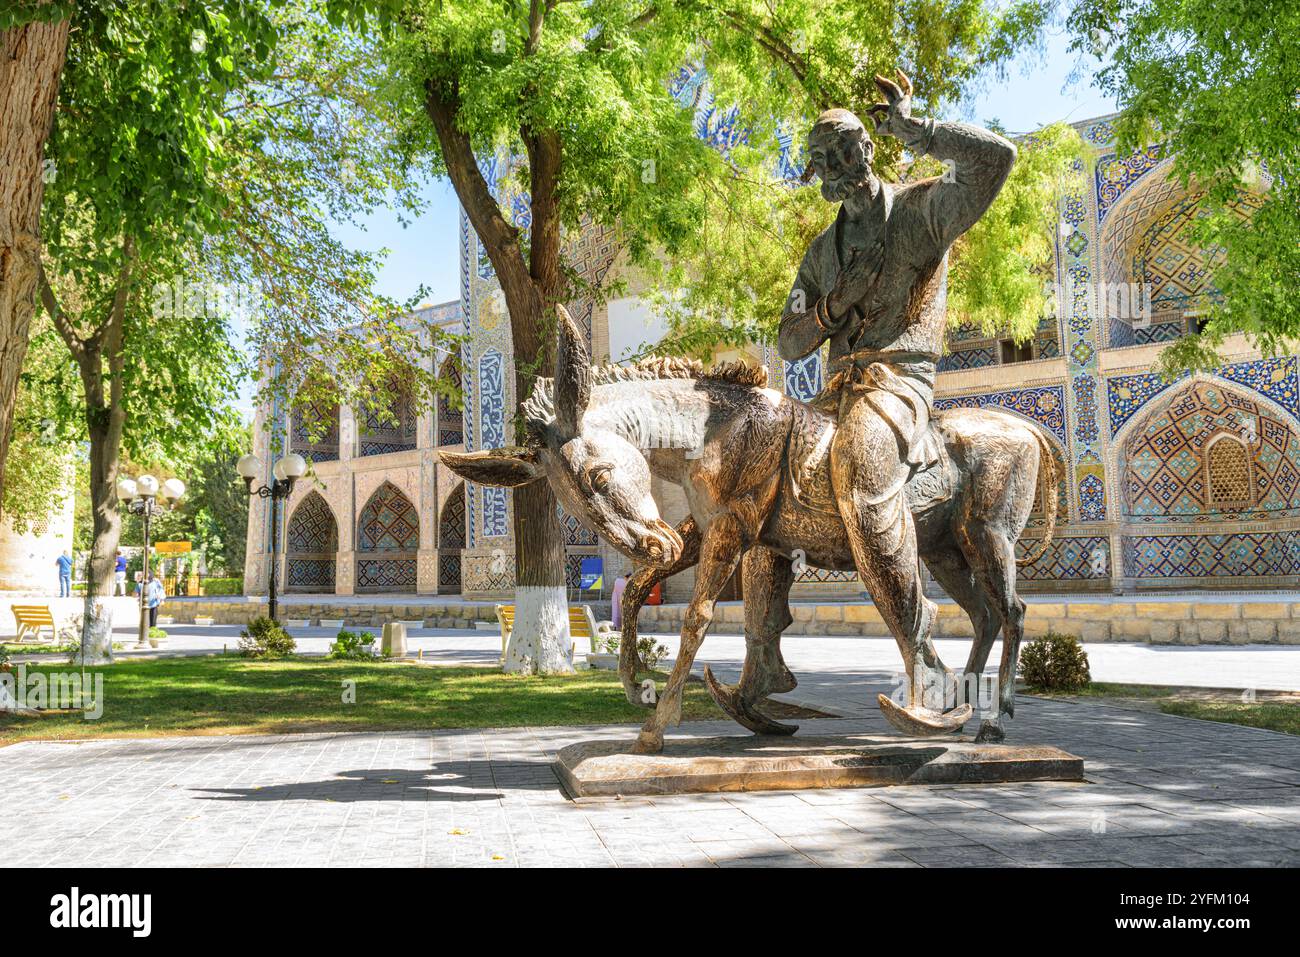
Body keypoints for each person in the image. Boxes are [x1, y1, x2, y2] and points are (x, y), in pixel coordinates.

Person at [777, 70, 1015, 717]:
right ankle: (761, 665)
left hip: (895, 385)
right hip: (836, 388)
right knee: (757, 472)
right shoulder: (821, 253)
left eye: (848, 151)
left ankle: (925, 662)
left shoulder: (922, 210)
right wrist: (831, 307)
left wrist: (922, 130)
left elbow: (998, 160)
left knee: (860, 458)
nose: (839, 168)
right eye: (825, 160)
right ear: (814, 174)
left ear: (869, 150)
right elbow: (788, 339)